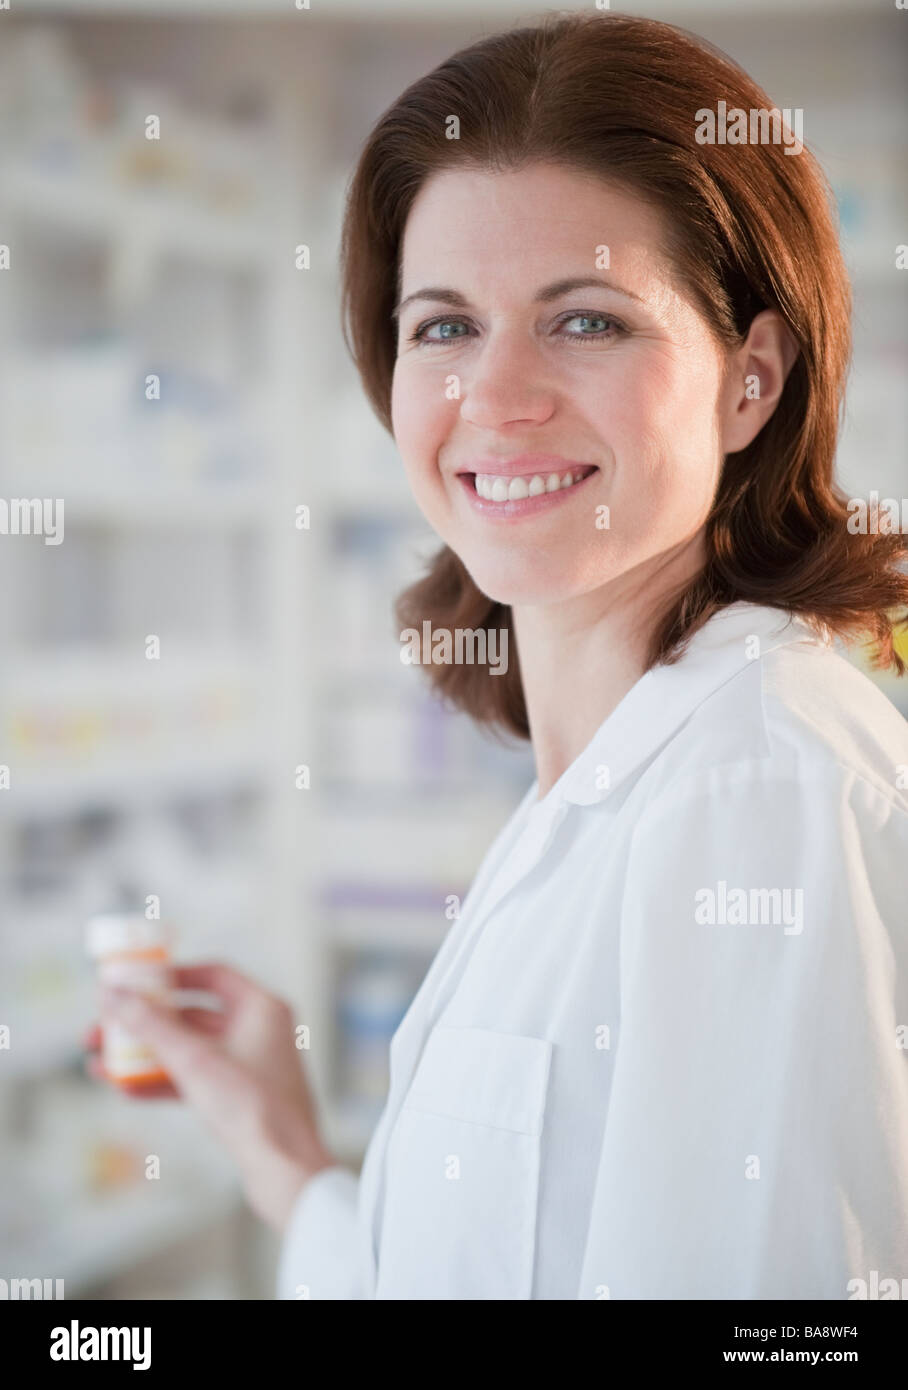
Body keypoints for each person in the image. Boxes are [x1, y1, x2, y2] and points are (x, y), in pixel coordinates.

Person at [86, 12, 908, 1299]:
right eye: (442, 327)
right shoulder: (604, 774)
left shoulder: (753, 782)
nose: (496, 396)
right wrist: (284, 1154)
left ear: (748, 379)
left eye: (584, 321)